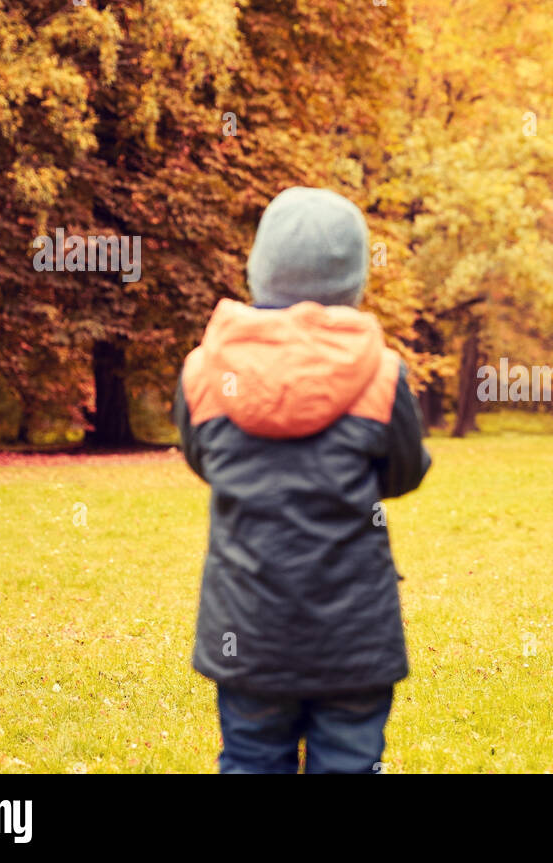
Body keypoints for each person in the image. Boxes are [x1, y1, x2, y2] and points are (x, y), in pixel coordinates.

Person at [173, 187, 430, 772]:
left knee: (251, 760)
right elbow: (404, 471)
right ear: (353, 278)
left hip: (247, 625)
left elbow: (202, 460)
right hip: (353, 632)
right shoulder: (382, 375)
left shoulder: (204, 372)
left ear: (260, 268)